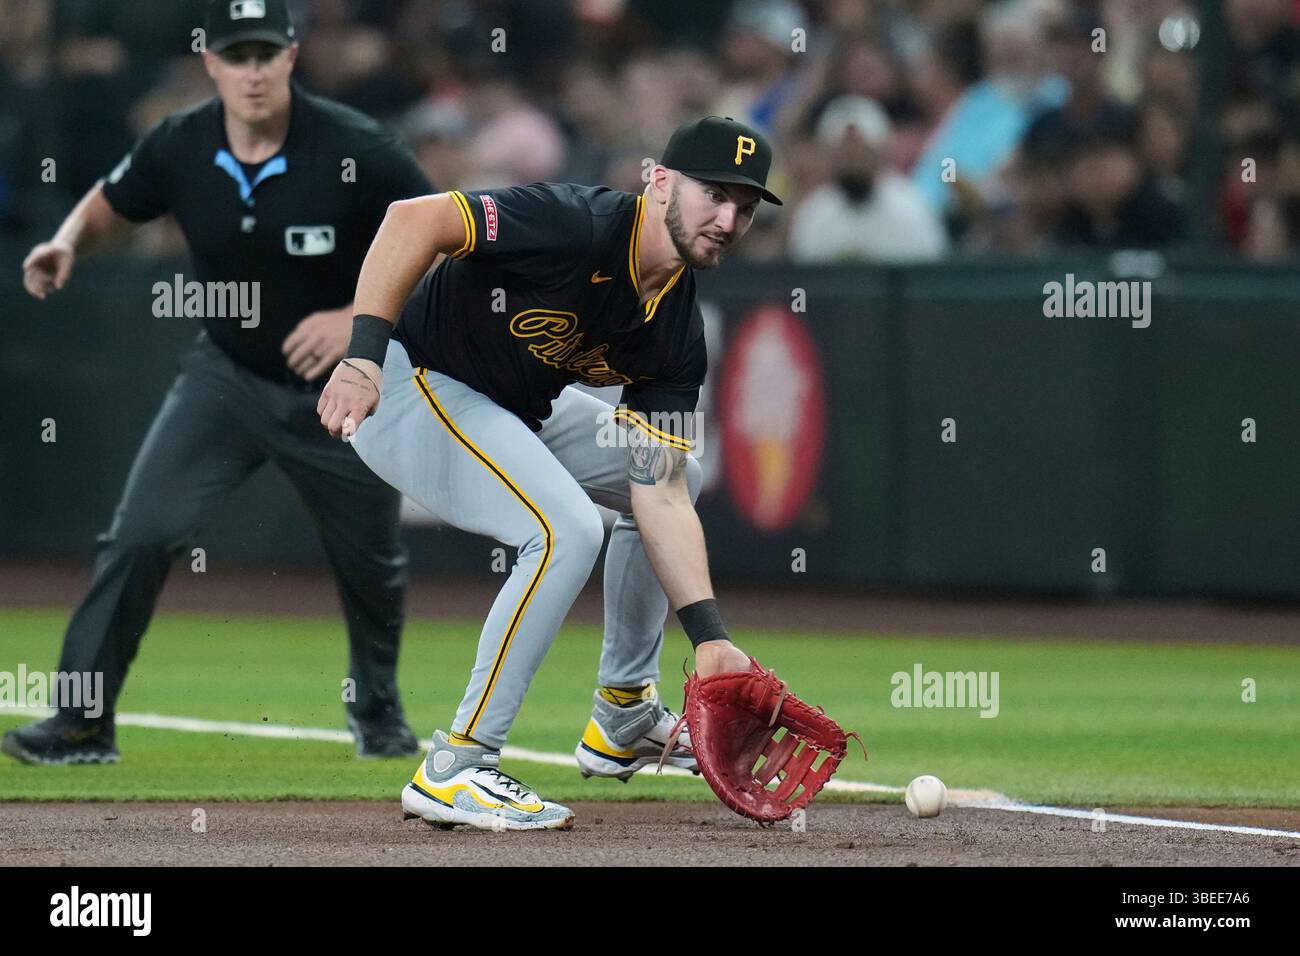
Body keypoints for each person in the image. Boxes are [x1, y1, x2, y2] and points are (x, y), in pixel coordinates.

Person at [317, 116, 778, 830]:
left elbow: (656, 491)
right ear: (659, 182)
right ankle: (457, 767)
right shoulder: (576, 223)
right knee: (562, 529)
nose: (727, 218)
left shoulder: (678, 329)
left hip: (509, 407)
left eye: (744, 207)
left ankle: (623, 714)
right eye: (713, 194)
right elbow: (413, 219)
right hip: (412, 383)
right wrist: (361, 354)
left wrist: (710, 637)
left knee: (662, 470)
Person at [4, 0, 432, 765]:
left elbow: (441, 237)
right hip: (228, 377)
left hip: (345, 394)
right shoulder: (183, 140)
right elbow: (115, 201)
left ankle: (378, 710)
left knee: (370, 560)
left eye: (267, 52)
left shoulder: (354, 147)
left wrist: (355, 322)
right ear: (212, 63)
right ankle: (79, 721)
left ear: (293, 57)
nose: (254, 70)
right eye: (238, 55)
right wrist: (67, 242)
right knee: (139, 534)